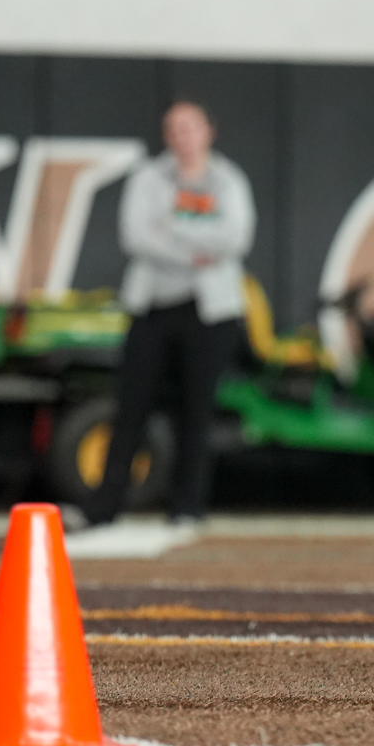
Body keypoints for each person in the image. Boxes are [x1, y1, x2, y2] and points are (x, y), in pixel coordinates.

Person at [87, 100, 254, 527]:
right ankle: (106, 506)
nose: (182, 137)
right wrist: (197, 248)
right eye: (173, 129)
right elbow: (136, 236)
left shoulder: (228, 180)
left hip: (209, 314)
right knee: (131, 408)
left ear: (208, 131)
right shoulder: (148, 178)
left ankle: (187, 507)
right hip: (153, 310)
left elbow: (234, 237)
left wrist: (173, 231)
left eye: (190, 128)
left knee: (196, 413)